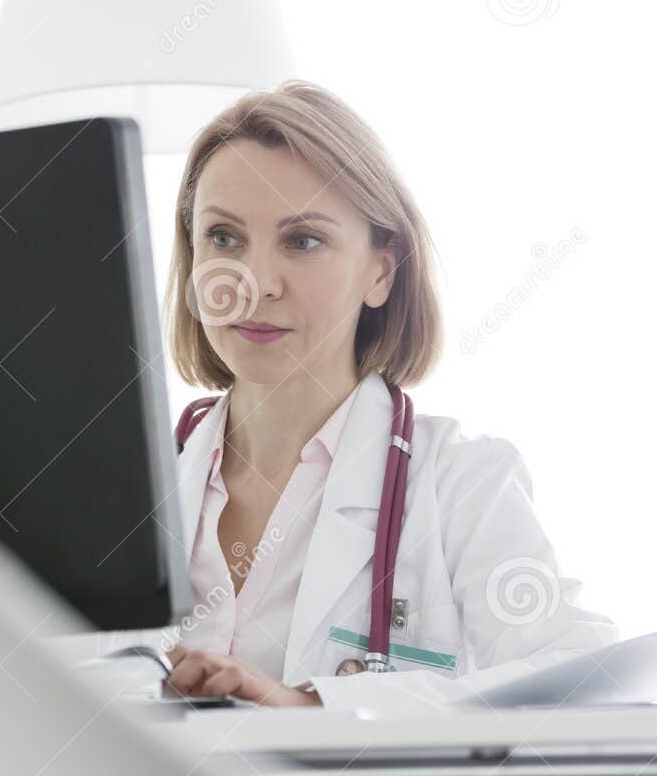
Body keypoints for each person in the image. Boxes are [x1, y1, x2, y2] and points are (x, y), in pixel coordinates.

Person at [160, 80, 616, 707]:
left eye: (304, 241)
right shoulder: (126, 485)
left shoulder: (460, 485)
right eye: (224, 237)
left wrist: (317, 708)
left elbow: (584, 679)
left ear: (380, 270)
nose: (255, 283)